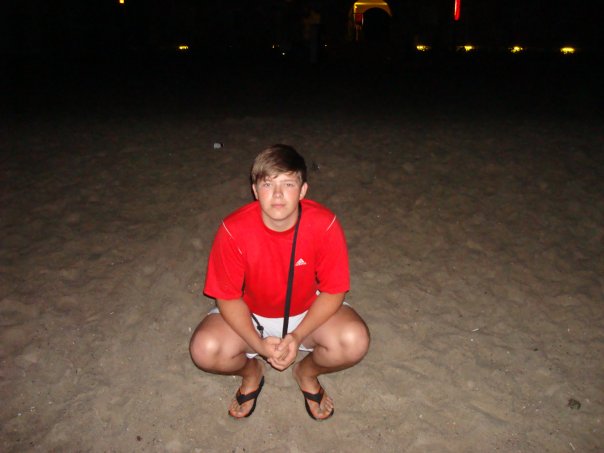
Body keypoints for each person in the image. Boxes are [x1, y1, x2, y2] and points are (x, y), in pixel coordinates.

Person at [189, 144, 370, 420]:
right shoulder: (233, 229)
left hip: (307, 315)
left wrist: (296, 336)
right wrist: (258, 344)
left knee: (354, 341)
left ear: (303, 190)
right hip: (251, 317)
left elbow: (334, 291)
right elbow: (227, 297)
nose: (277, 194)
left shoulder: (324, 224)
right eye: (267, 184)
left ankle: (306, 372)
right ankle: (252, 372)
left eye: (288, 184)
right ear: (254, 190)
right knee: (204, 350)